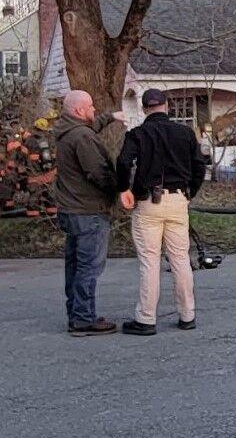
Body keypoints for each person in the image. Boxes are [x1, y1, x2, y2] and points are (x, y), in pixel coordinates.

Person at [115, 88, 207, 335]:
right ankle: (187, 315)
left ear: (145, 109)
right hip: (178, 199)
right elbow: (200, 166)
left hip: (148, 201)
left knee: (150, 261)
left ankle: (146, 318)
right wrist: (190, 192)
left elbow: (123, 162)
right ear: (166, 107)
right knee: (180, 259)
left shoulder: (138, 134)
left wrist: (124, 188)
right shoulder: (185, 133)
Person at [51, 90, 126, 337]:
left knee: (74, 265)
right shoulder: (83, 137)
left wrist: (112, 117)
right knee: (88, 267)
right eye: (91, 106)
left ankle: (76, 313)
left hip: (71, 209)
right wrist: (119, 188)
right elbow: (98, 171)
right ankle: (84, 319)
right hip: (88, 210)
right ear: (79, 111)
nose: (94, 110)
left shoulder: (67, 131)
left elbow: (91, 126)